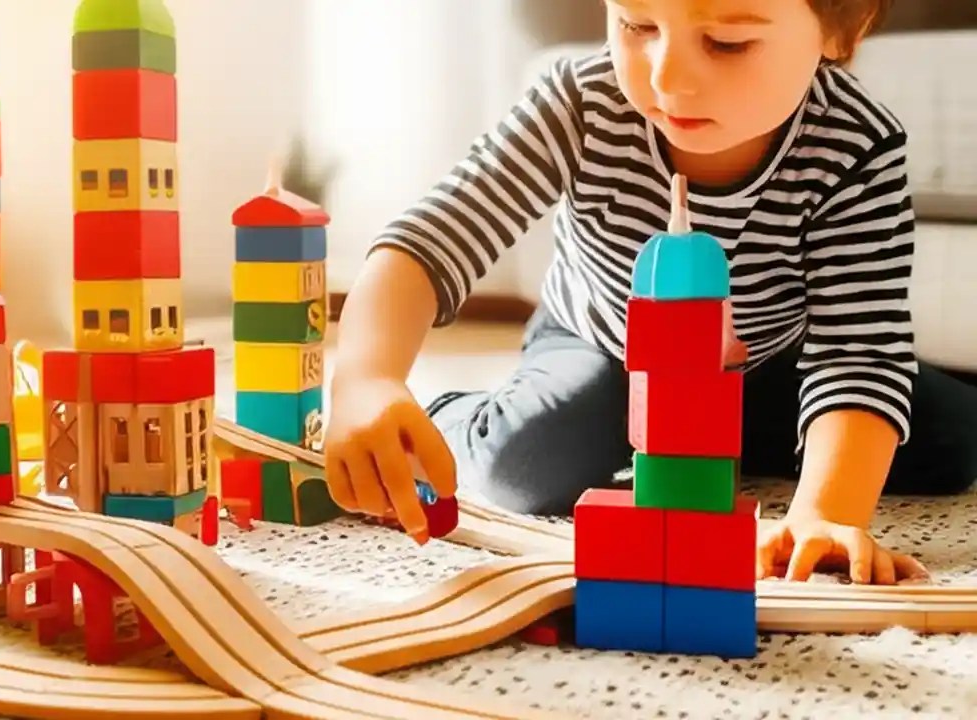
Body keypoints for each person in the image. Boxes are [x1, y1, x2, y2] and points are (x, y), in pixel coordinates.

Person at [323, 0, 977, 585]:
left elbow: (859, 351)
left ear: (842, 31)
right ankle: (448, 417)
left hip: (773, 359)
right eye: (637, 25)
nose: (669, 78)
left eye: (726, 43)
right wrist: (368, 378)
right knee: (528, 465)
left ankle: (724, 443)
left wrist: (826, 514)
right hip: (603, 342)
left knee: (951, 441)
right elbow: (430, 240)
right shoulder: (580, 104)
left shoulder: (857, 144)